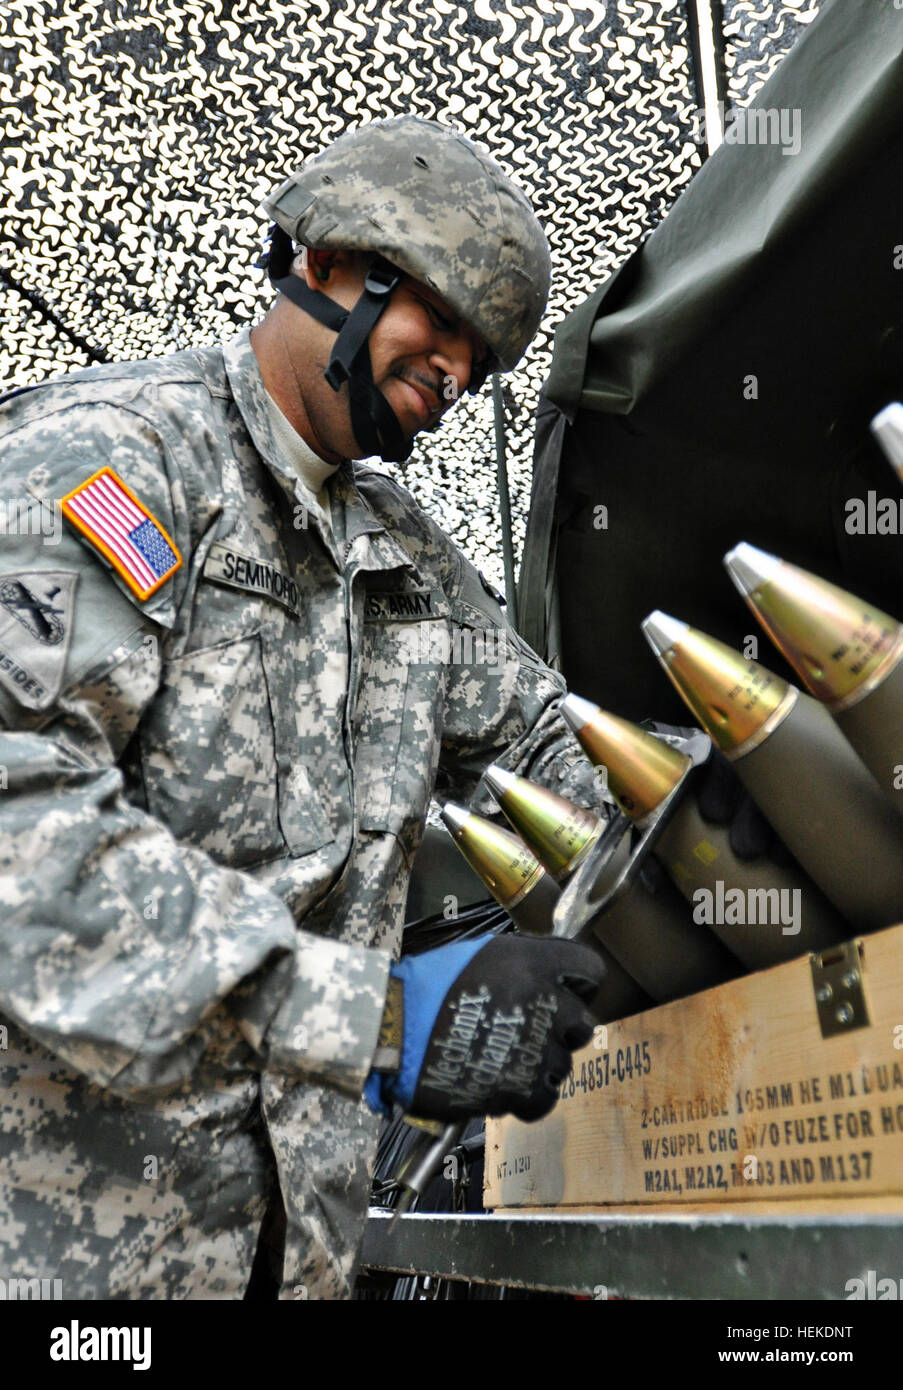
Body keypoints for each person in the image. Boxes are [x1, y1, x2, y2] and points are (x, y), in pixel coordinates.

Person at [0, 115, 613, 1300]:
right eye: (442, 319)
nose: (457, 372)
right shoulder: (117, 464)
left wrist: (721, 798)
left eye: (482, 356)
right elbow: (22, 830)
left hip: (300, 1264)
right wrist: (380, 1020)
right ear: (329, 263)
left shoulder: (405, 557)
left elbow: (549, 742)